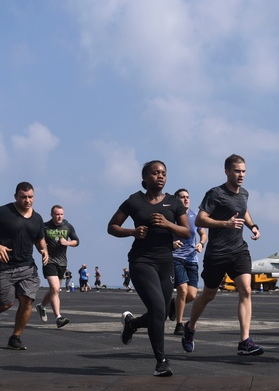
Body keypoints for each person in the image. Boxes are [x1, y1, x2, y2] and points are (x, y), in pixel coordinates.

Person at [108, 160, 189, 376]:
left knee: (159, 314)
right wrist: (132, 232)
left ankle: (132, 324)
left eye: (163, 173)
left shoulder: (173, 202)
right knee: (157, 307)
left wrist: (168, 224)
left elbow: (186, 232)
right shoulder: (134, 201)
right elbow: (112, 227)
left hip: (166, 262)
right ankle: (161, 362)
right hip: (141, 261)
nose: (160, 176)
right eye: (155, 173)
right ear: (145, 178)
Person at [180, 154, 264, 356]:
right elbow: (200, 220)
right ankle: (190, 327)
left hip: (238, 249)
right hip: (217, 252)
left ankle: (245, 341)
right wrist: (225, 223)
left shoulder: (244, 193)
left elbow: (243, 211)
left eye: (243, 171)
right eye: (237, 171)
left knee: (246, 289)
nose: (241, 174)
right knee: (209, 295)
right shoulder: (215, 193)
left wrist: (253, 226)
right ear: (227, 171)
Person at [0, 182, 49, 350]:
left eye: (30, 197)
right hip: (4, 267)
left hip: (27, 267)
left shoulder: (37, 218)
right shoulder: (2, 212)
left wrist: (44, 250)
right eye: (23, 197)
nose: (27, 200)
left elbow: (40, 239)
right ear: (16, 196)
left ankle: (15, 337)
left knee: (27, 302)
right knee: (6, 302)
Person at [170, 188, 206, 336]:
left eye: (187, 197)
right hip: (176, 257)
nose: (186, 199)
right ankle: (179, 324)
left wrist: (201, 244)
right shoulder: (172, 216)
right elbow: (162, 234)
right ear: (176, 199)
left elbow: (203, 233)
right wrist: (171, 243)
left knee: (192, 295)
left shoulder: (194, 216)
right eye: (182, 197)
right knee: (183, 290)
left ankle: (173, 305)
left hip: (192, 258)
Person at [37, 205, 79, 329]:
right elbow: (38, 241)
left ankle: (42, 306)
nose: (59, 216)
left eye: (61, 214)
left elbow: (76, 241)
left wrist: (67, 243)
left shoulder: (68, 226)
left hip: (62, 262)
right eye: (57, 214)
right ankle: (58, 318)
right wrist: (42, 251)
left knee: (53, 290)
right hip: (49, 261)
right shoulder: (45, 226)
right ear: (51, 215)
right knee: (55, 289)